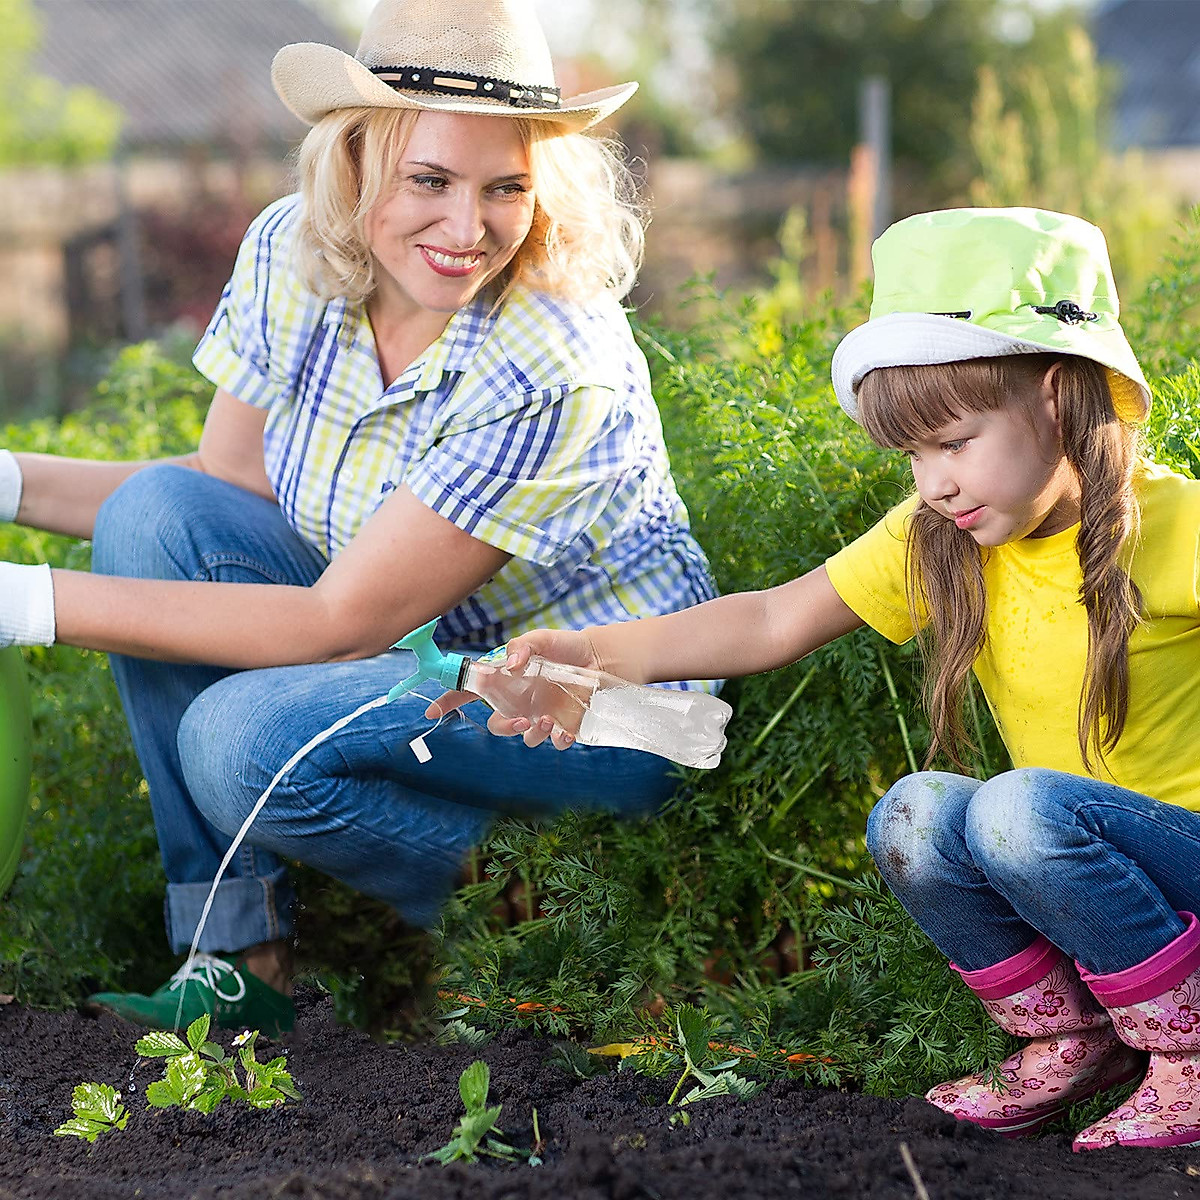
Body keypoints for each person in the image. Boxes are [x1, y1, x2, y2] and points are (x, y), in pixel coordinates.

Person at [0, 0, 717, 1037]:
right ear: (357, 161)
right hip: (430, 672)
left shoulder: (553, 360)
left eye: (505, 188)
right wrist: (10, 484)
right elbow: (220, 486)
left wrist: (22, 601)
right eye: (430, 180)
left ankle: (562, 932)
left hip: (607, 711)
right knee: (159, 513)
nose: (467, 230)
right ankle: (240, 959)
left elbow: (342, 625)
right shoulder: (293, 251)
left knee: (241, 739)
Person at [454, 206, 1200, 1152]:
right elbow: (771, 617)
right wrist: (593, 655)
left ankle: (1192, 1054)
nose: (932, 482)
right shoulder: (943, 539)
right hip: (1080, 855)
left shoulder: (1175, 531)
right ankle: (1071, 1039)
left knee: (1017, 810)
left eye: (955, 441)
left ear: (1056, 397)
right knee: (916, 815)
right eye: (913, 454)